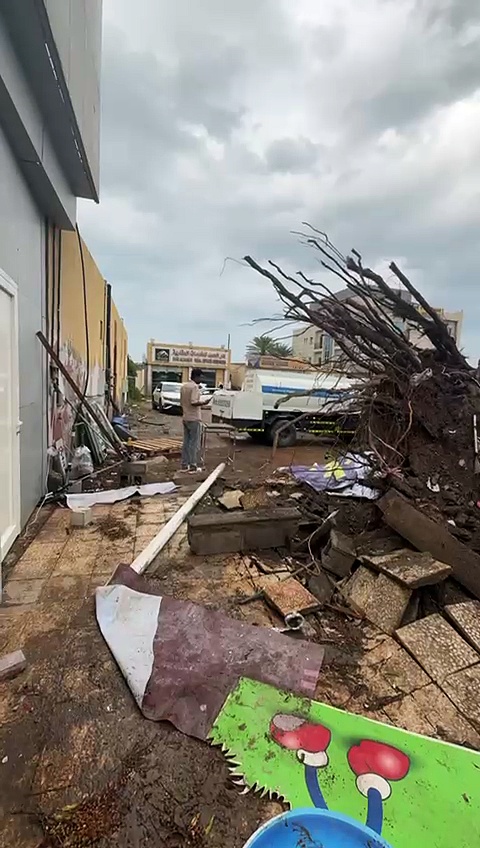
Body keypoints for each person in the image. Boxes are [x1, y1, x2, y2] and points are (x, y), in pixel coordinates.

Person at [180, 368, 210, 471]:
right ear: (196, 376)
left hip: (185, 417)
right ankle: (193, 465)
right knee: (193, 443)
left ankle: (184, 464)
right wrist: (203, 403)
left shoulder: (184, 387)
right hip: (194, 418)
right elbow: (193, 402)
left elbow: (182, 402)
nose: (201, 379)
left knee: (186, 442)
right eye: (200, 377)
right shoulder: (194, 387)